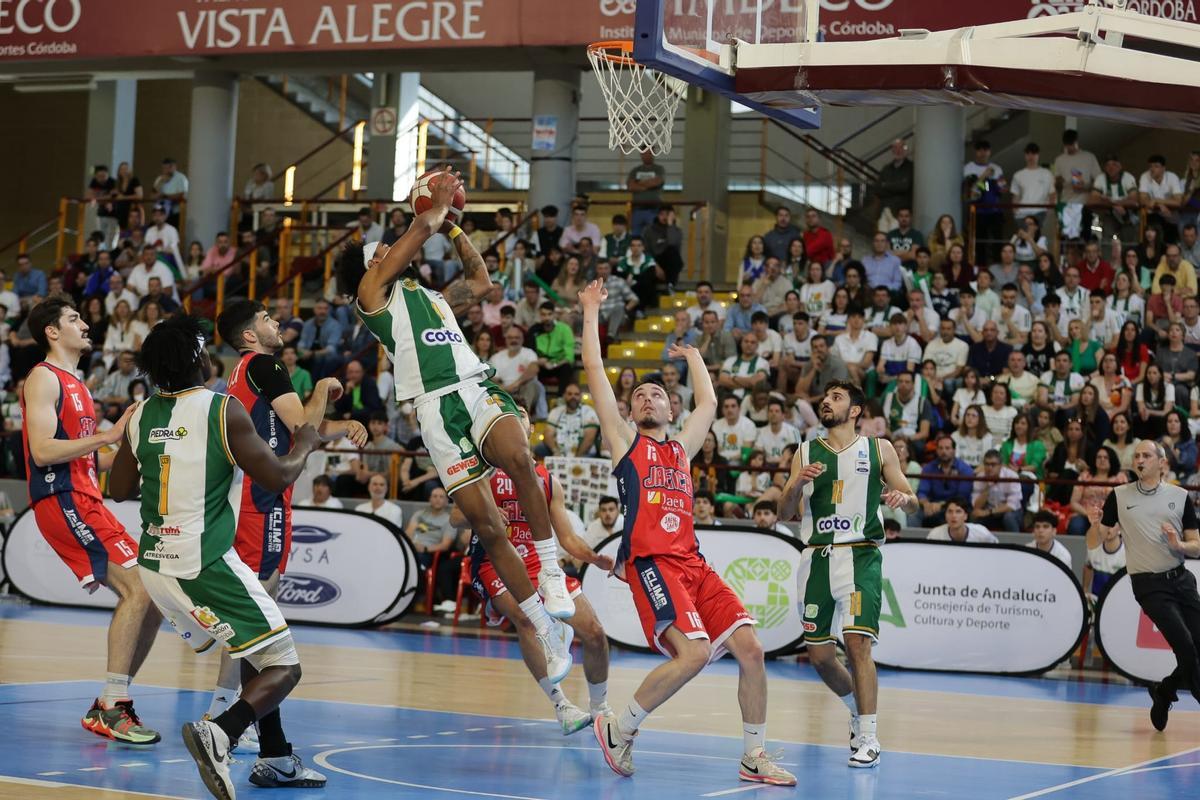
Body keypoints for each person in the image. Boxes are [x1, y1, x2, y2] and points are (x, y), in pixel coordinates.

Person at [339, 169, 573, 680]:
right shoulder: (373, 297)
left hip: (475, 388)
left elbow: (483, 283)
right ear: (369, 269)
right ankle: (545, 629)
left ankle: (551, 569)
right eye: (379, 251)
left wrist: (454, 228)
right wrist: (433, 212)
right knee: (488, 527)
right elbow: (417, 232)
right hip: (433, 410)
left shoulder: (434, 297)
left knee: (519, 459)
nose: (386, 252)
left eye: (386, 248)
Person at [580, 279, 795, 786]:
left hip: (693, 564)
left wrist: (694, 355)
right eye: (640, 396)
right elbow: (594, 371)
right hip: (652, 564)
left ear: (669, 410)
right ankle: (619, 728)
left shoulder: (680, 449)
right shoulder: (625, 444)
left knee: (752, 650)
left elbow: (709, 405)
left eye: (657, 393)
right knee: (695, 654)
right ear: (631, 413)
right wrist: (591, 311)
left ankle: (753, 757)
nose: (648, 398)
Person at [105, 317, 324, 795]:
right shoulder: (222, 410)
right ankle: (220, 732)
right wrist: (304, 443)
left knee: (254, 648)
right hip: (204, 562)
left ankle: (277, 757)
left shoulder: (141, 414)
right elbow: (278, 477)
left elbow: (117, 489)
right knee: (286, 666)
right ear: (199, 359)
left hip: (157, 566)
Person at [20, 297, 162, 745]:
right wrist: (108, 434)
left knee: (154, 594)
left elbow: (87, 456)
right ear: (52, 332)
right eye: (74, 319)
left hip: (87, 497)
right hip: (61, 499)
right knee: (138, 587)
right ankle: (112, 706)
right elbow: (43, 451)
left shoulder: (77, 383)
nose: (85, 323)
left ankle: (111, 699)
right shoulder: (43, 378)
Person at [779, 380, 919, 769]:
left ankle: (870, 738)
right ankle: (857, 712)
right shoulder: (805, 452)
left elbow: (912, 502)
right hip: (817, 559)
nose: (826, 401)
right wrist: (795, 483)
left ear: (856, 410)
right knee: (821, 657)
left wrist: (901, 498)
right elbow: (783, 513)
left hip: (860, 556)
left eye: (836, 398)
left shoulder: (879, 448)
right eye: (825, 397)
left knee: (857, 645)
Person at [457, 406, 615, 734]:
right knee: (528, 621)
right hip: (494, 562)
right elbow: (454, 518)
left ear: (529, 429)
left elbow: (568, 537)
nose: (514, 418)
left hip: (539, 564)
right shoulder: (479, 471)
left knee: (596, 633)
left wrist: (595, 558)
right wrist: (481, 516)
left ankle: (600, 707)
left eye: (521, 415)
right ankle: (561, 706)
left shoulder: (546, 479)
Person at [1088, 440, 1200, 729]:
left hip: (1181, 579)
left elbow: (1197, 547)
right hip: (1149, 586)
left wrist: (1179, 544)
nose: (1139, 459)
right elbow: (1093, 543)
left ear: (1161, 463)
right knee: (1186, 647)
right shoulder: (1119, 495)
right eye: (1136, 455)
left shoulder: (1179, 495)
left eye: (1146, 455)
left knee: (1197, 646)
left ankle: (1164, 691)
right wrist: (1093, 524)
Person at [926, 497, 999, 543]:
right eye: (950, 511)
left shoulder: (981, 532)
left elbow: (996, 550)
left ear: (965, 516)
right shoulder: (935, 534)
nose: (953, 516)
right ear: (945, 515)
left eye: (958, 511)